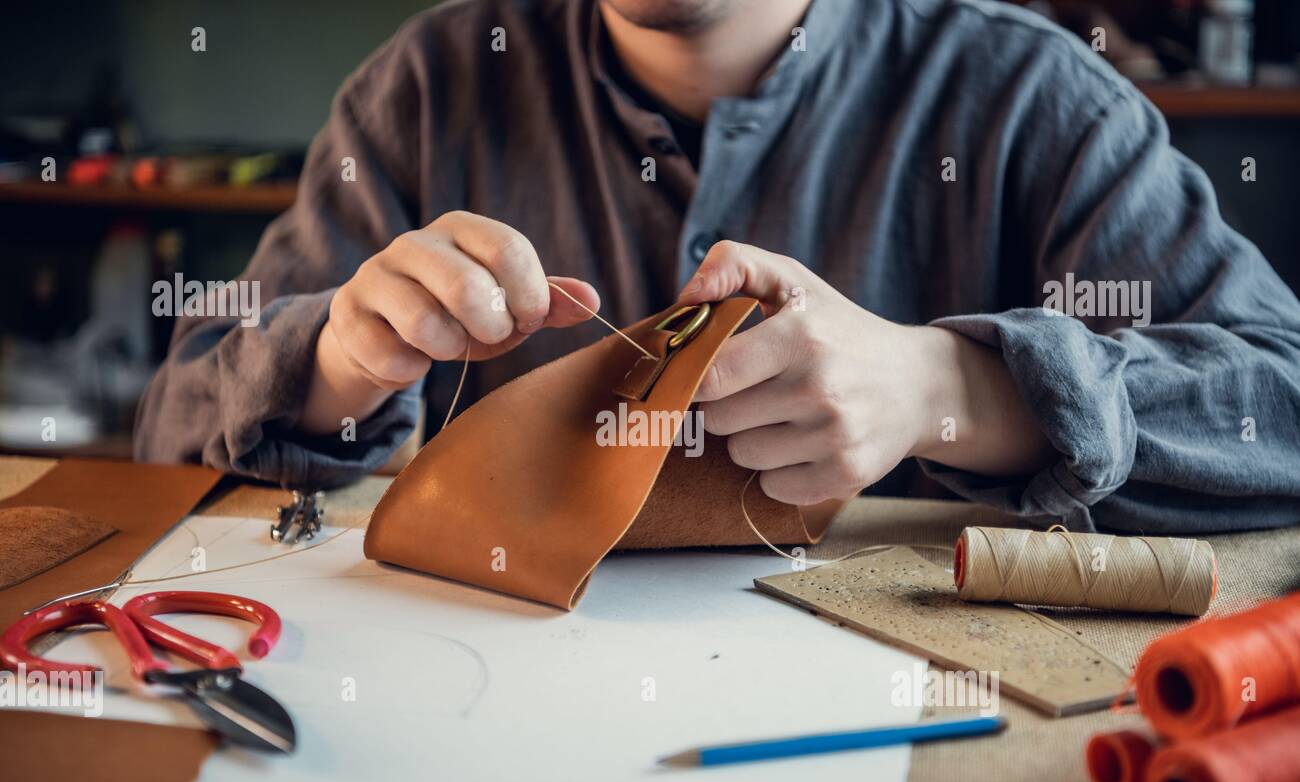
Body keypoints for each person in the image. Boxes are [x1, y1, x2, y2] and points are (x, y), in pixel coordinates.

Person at [136, 0, 1300, 533]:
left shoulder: (1032, 98)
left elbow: (1279, 397)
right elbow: (167, 432)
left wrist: (955, 394)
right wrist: (337, 368)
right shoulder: (429, 86)